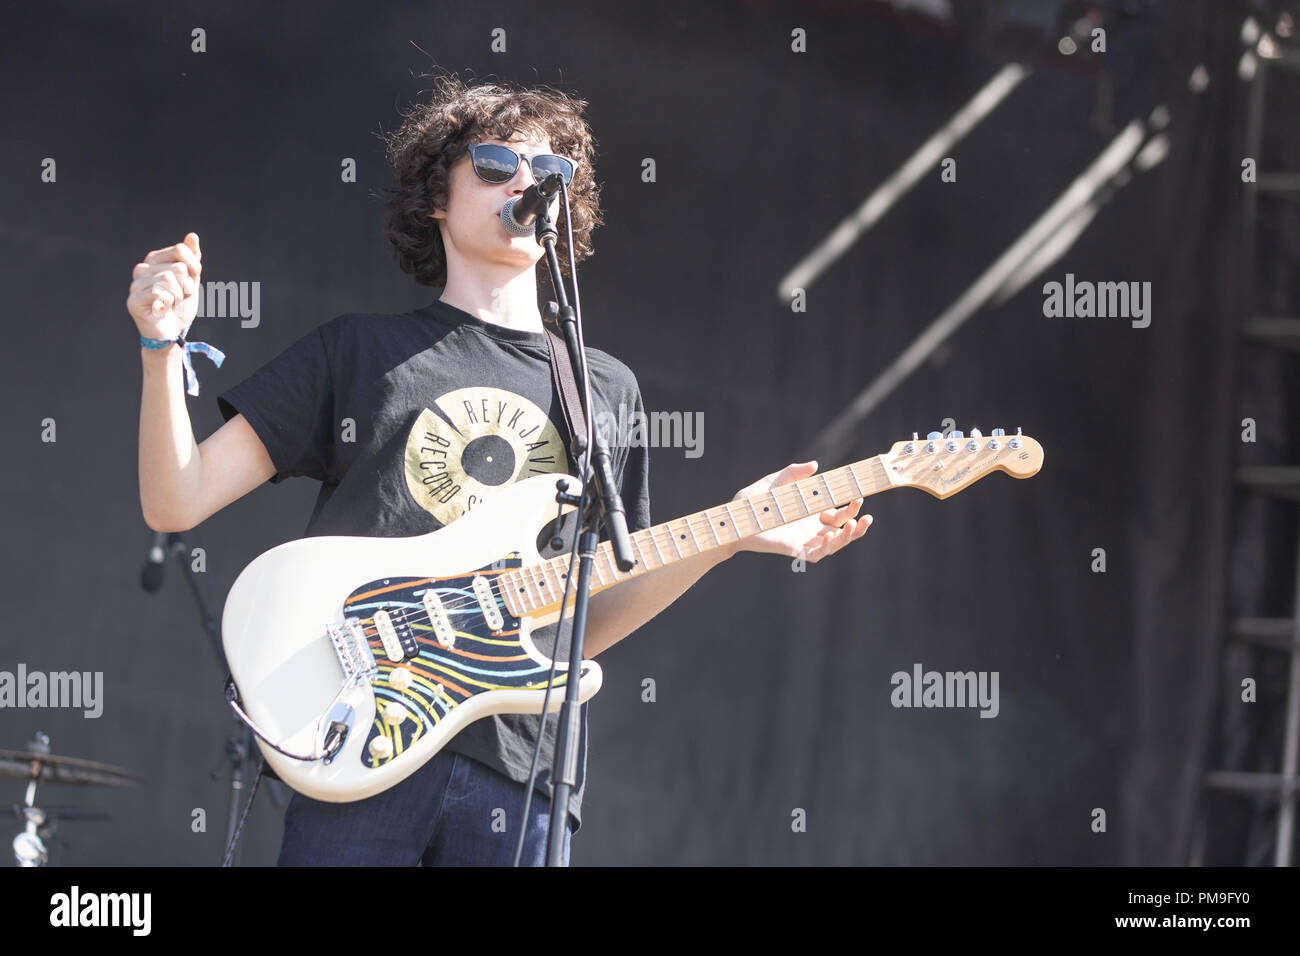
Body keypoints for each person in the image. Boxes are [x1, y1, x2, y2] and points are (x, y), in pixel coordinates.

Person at [127, 75, 872, 867]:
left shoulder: (601, 389)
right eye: (492, 164)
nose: (526, 183)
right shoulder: (357, 352)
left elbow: (588, 618)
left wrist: (733, 532)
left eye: (550, 174)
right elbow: (177, 500)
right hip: (359, 735)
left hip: (522, 768)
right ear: (435, 200)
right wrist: (159, 349)